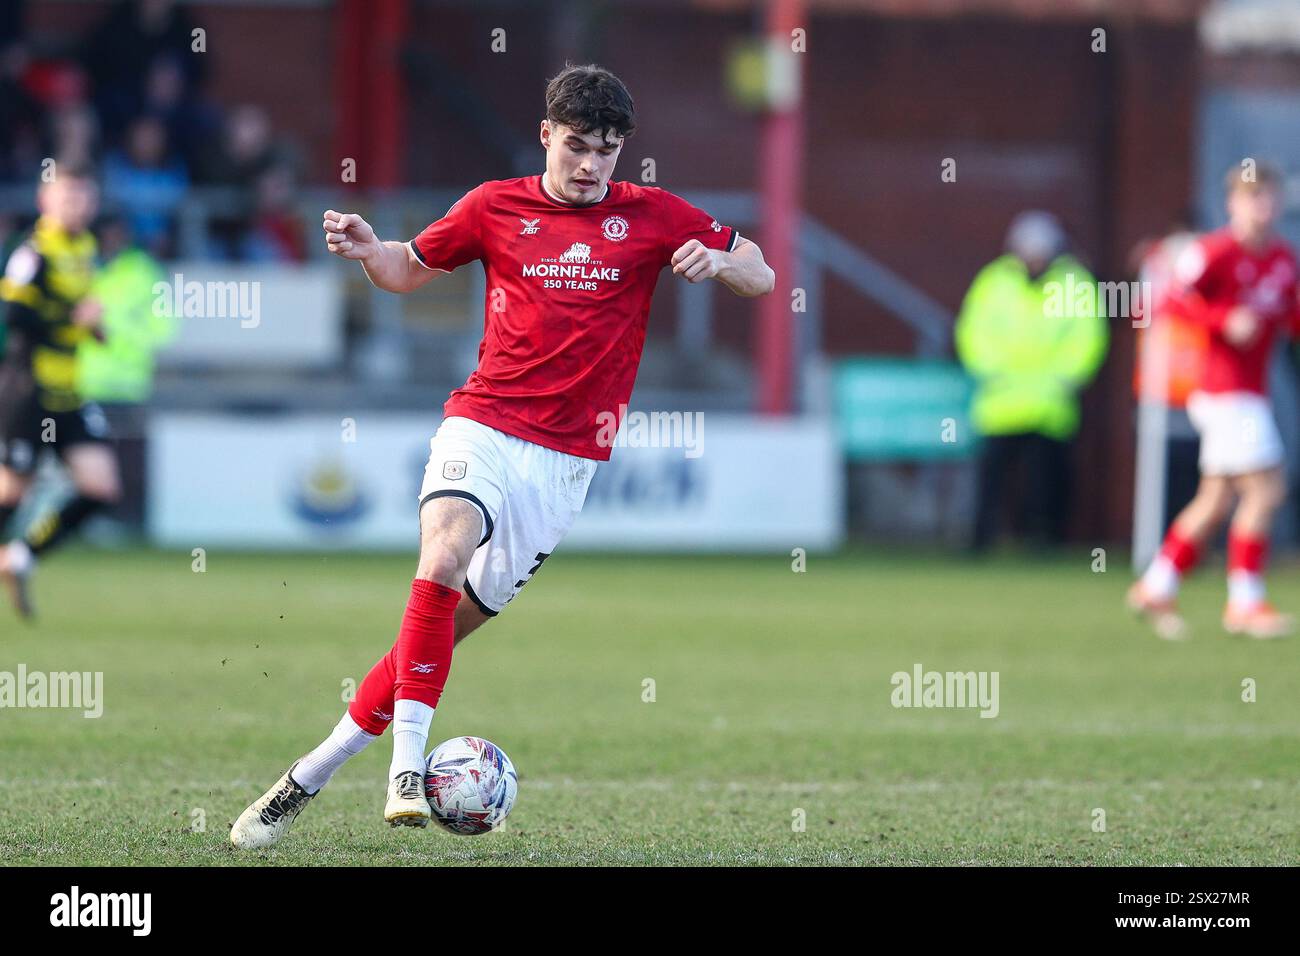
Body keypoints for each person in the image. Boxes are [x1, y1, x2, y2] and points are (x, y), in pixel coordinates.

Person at [230, 63, 774, 849]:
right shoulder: (494, 205)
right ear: (547, 134)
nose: (591, 166)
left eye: (608, 151)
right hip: (481, 423)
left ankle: (308, 773)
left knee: (434, 637)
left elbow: (761, 269)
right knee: (443, 550)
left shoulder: (653, 216)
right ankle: (407, 772)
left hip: (563, 468)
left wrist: (721, 263)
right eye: (578, 146)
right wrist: (367, 248)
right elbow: (406, 270)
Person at [1128, 163, 1299, 640]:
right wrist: (1224, 319)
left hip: (1250, 393)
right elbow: (1168, 301)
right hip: (1225, 393)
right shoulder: (1213, 252)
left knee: (1217, 497)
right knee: (1266, 491)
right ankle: (1245, 602)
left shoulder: (1282, 258)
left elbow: (1291, 315)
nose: (1262, 207)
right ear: (1233, 204)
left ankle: (1156, 585)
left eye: (1268, 197)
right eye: (1252, 197)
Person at [0, 163, 123, 617]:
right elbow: (13, 316)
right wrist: (71, 319)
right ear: (44, 200)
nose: (77, 205)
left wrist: (92, 330)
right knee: (11, 496)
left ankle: (20, 557)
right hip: (28, 392)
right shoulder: (32, 252)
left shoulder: (85, 248)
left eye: (84, 197)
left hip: (68, 392)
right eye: (68, 196)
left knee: (102, 488)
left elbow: (74, 311)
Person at [955, 211, 1108, 550]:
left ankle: (1044, 541)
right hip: (1001, 401)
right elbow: (973, 329)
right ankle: (981, 541)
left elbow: (1088, 335)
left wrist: (1067, 377)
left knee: (1048, 480)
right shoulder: (994, 281)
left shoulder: (1074, 283)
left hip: (1049, 404)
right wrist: (989, 369)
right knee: (992, 478)